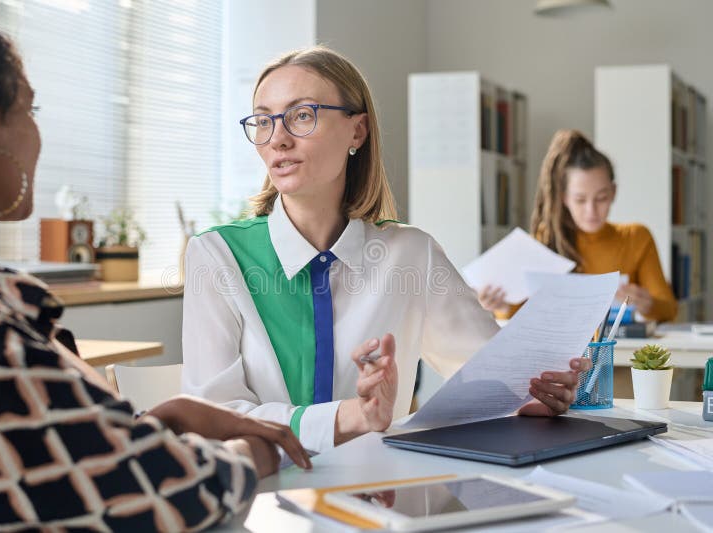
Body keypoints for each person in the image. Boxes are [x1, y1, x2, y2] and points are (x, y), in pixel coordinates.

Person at [0, 4, 309, 530]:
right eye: (31, 110)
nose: (37, 137)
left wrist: (149, 425)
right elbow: (177, 495)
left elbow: (18, 465)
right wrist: (254, 450)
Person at [181, 46, 591, 454]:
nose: (278, 139)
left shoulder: (412, 253)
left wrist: (534, 393)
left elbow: (495, 377)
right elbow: (216, 419)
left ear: (357, 131)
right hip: (263, 503)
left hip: (382, 503)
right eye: (263, 120)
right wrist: (352, 416)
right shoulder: (217, 256)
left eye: (301, 115)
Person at [479, 130, 678, 322]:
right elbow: (516, 315)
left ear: (614, 192)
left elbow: (669, 309)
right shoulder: (545, 241)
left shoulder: (636, 237)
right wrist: (500, 307)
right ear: (565, 198)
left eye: (601, 198)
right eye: (580, 200)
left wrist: (646, 303)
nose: (591, 211)